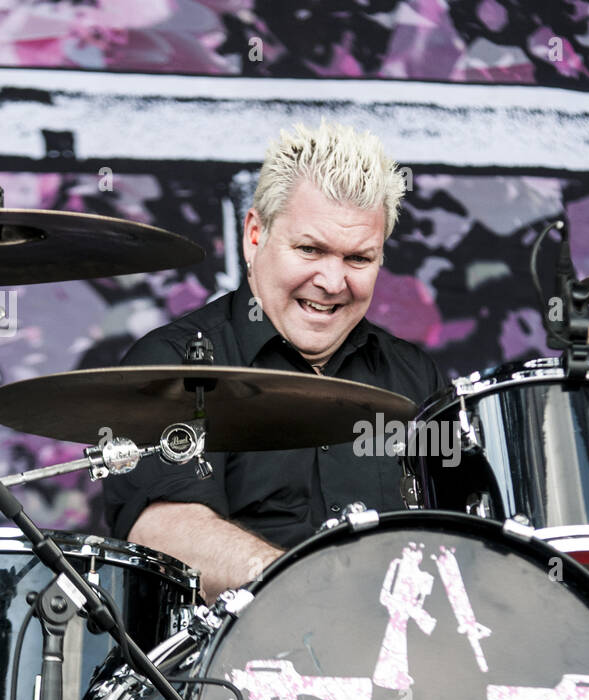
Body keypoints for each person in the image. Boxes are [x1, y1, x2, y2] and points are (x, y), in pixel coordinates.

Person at [103, 121, 444, 600]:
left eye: (358, 259)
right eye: (310, 249)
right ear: (255, 235)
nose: (331, 280)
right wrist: (307, 590)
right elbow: (164, 533)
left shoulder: (415, 378)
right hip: (231, 665)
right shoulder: (173, 362)